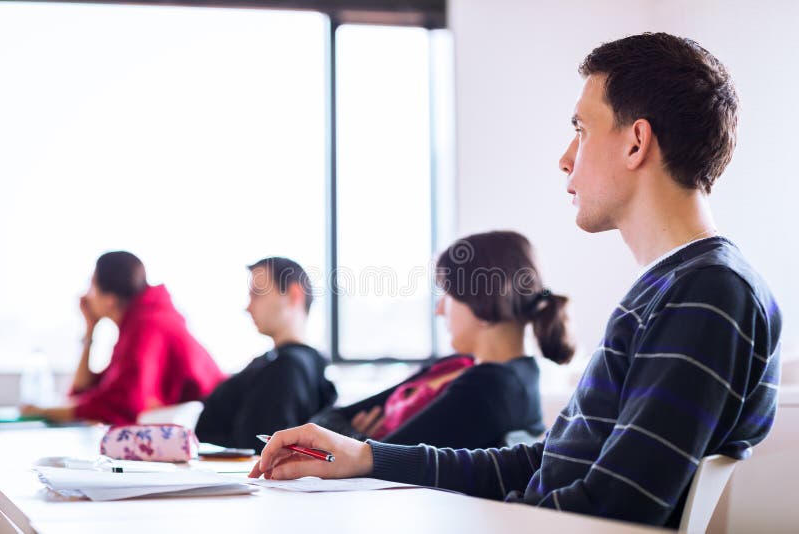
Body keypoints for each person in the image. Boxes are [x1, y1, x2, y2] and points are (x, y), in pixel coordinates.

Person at [249, 33, 782, 528]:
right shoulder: (676, 289)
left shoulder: (707, 294)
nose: (565, 158)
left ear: (636, 142)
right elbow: (544, 463)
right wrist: (364, 457)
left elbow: (621, 509)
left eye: (580, 129)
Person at [312, 231, 574, 449]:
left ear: (481, 303)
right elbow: (327, 420)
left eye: (447, 294)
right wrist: (364, 443)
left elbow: (379, 461)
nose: (438, 309)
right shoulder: (461, 366)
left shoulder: (491, 386)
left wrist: (359, 440)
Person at [20, 251, 225, 424]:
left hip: (213, 429)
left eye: (91, 286)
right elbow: (84, 391)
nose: (86, 296)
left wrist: (45, 412)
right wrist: (90, 331)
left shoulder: (148, 324)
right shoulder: (136, 323)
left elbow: (123, 405)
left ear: (109, 299)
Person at [195, 257, 337, 452]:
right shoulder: (294, 363)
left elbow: (258, 447)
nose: (248, 307)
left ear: (294, 294)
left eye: (256, 294)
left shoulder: (287, 366)